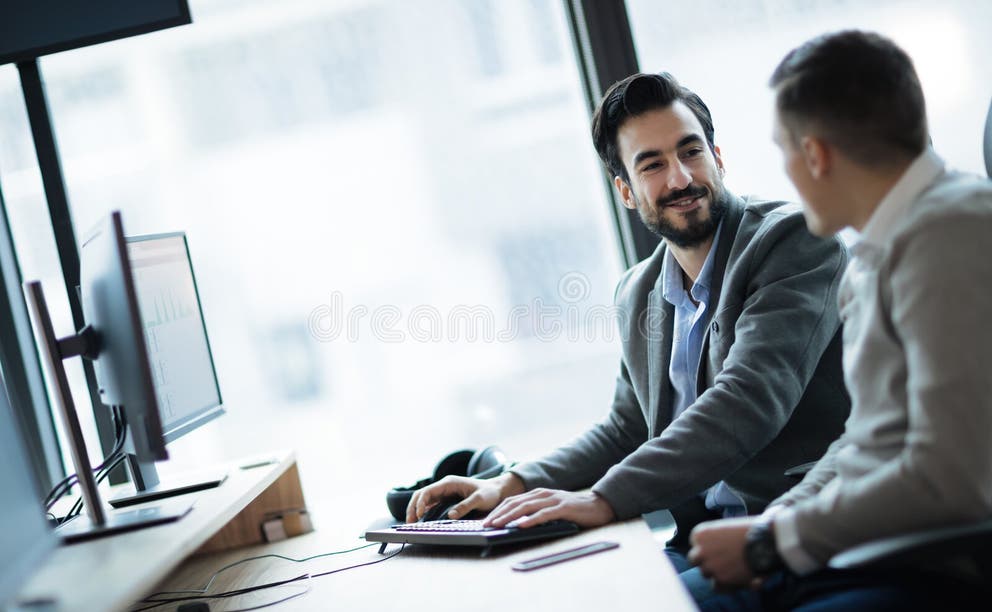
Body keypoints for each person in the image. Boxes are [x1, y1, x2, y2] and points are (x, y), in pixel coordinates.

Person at [408, 71, 850, 596]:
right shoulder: (637, 293)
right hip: (697, 543)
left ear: (719, 157)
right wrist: (512, 483)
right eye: (653, 164)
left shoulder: (791, 241)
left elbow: (749, 400)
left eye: (691, 152)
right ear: (625, 190)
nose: (681, 178)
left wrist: (603, 499)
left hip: (788, 537)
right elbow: (626, 428)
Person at [688, 30, 992, 610]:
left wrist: (774, 542)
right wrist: (774, 526)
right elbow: (866, 440)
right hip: (874, 547)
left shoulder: (953, 235)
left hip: (943, 564)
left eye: (784, 151)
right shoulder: (879, 254)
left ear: (816, 155)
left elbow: (954, 475)